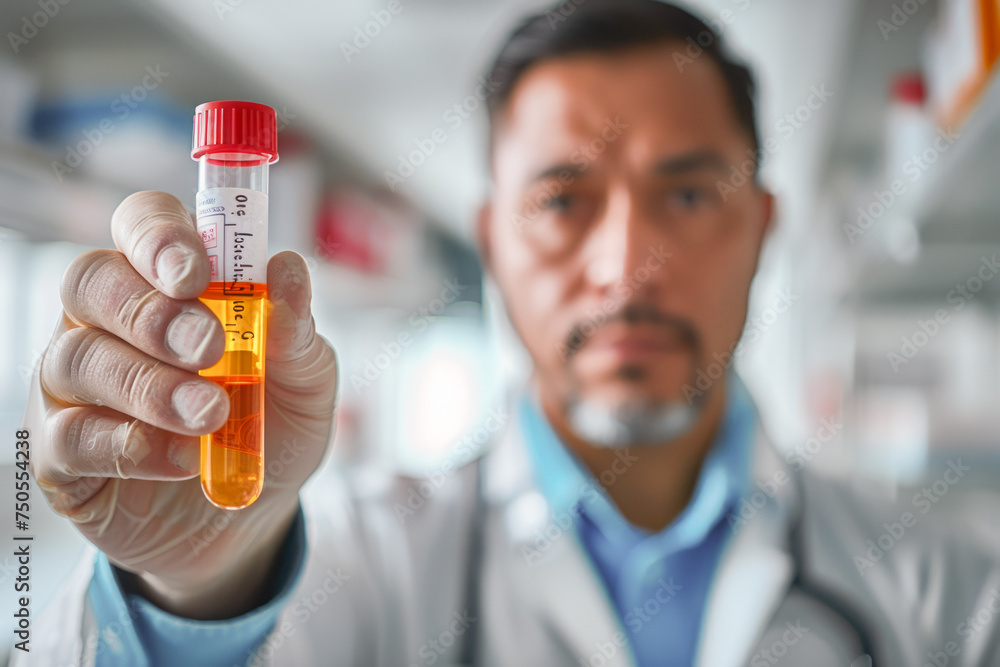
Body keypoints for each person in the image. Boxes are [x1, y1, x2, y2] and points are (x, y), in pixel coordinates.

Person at [18, 1, 1000, 665]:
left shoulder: (941, 589)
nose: (624, 263)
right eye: (564, 199)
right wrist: (191, 592)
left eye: (689, 192)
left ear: (761, 229)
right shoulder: (354, 564)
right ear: (493, 239)